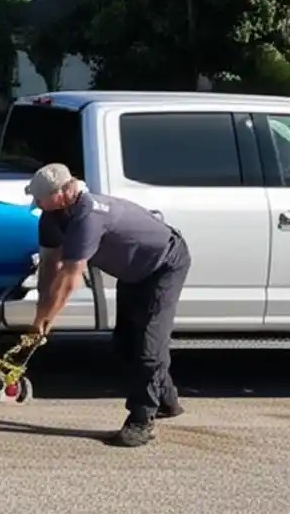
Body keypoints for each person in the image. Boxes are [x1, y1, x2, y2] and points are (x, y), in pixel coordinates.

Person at [24, 163, 192, 448]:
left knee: (149, 346)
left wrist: (50, 316)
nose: (36, 204)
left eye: (41, 198)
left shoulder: (89, 215)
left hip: (164, 265)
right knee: (126, 342)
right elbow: (50, 267)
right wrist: (41, 314)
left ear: (64, 192)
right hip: (134, 272)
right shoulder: (51, 217)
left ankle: (141, 419)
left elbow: (70, 276)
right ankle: (166, 400)